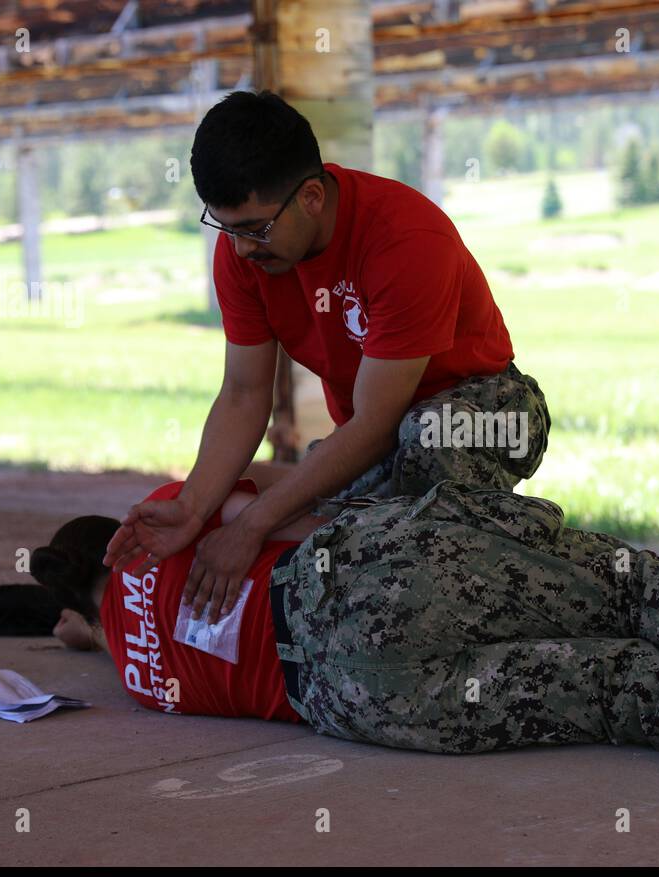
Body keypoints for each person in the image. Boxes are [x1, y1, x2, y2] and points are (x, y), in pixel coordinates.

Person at [37, 472, 659, 822]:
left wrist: (87, 632)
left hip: (356, 695)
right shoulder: (157, 515)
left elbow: (122, 630)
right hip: (352, 577)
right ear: (112, 535)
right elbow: (284, 494)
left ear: (77, 612)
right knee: (626, 592)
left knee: (623, 690)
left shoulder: (136, 674)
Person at [102, 89, 550, 629]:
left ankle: (519, 548)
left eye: (255, 229)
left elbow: (376, 424)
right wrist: (193, 507)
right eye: (225, 227)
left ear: (311, 196)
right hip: (380, 436)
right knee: (316, 505)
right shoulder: (244, 253)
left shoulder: (405, 238)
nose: (242, 249)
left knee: (423, 442)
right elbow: (245, 394)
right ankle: (384, 529)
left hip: (491, 415)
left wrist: (252, 527)